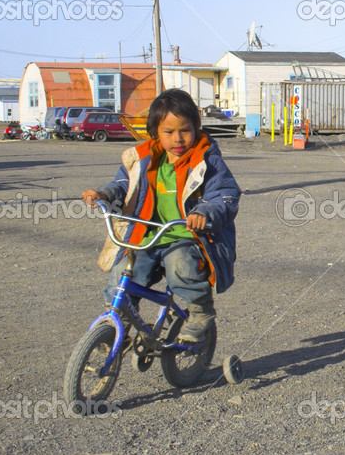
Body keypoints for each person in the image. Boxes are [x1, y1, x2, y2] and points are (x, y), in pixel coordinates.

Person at [82, 89, 240, 344]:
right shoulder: (144, 159)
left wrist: (205, 212)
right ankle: (117, 323)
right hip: (149, 234)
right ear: (155, 132)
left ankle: (200, 312)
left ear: (196, 127)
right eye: (168, 132)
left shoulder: (206, 161)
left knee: (181, 266)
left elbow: (224, 194)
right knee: (123, 272)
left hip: (188, 237)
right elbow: (125, 185)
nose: (178, 138)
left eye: (185, 130)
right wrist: (104, 194)